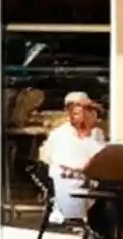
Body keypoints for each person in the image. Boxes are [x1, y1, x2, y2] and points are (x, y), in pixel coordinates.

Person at [43, 91, 106, 225]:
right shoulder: (61, 136)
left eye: (91, 110)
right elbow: (63, 165)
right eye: (87, 110)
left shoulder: (97, 134)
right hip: (72, 188)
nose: (93, 114)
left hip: (94, 186)